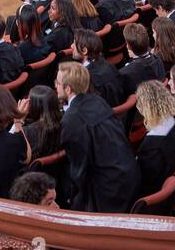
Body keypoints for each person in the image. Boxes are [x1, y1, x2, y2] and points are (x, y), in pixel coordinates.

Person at [57, 62, 140, 213]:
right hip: (128, 176)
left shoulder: (71, 120)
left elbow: (79, 171)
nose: (55, 85)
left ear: (68, 89)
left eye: (58, 82)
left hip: (109, 193)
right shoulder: (98, 101)